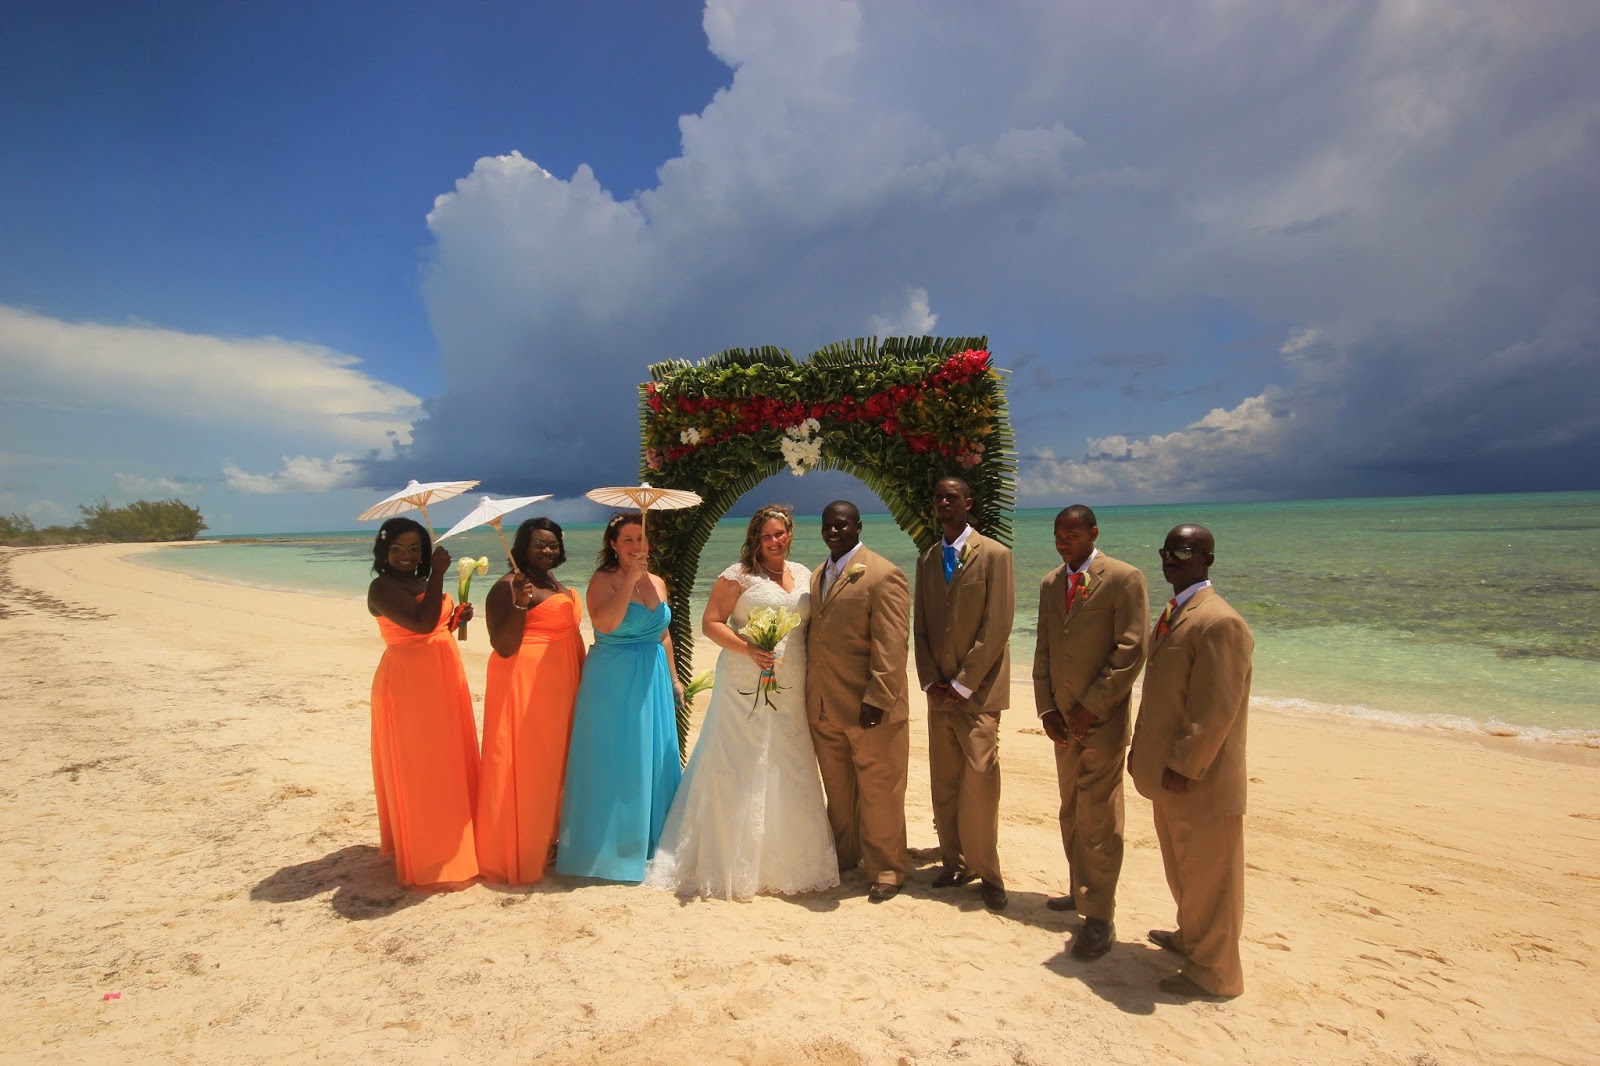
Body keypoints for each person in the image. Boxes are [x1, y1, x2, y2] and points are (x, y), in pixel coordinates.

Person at [644, 504, 838, 900]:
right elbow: (711, 622)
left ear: (790, 534)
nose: (774, 541)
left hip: (791, 678)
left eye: (780, 533)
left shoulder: (803, 573)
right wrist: (748, 648)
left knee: (789, 758)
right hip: (743, 679)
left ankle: (785, 856)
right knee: (740, 761)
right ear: (755, 538)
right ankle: (729, 855)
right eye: (766, 535)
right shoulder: (738, 576)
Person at [1130, 524, 1253, 999]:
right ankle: (1191, 940)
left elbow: (1215, 709)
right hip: (1169, 773)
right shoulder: (1176, 612)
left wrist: (1184, 766)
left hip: (1199, 778)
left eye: (1183, 550)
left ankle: (1216, 974)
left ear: (1207, 559)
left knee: (1211, 879)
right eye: (1166, 550)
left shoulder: (1220, 622)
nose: (1171, 558)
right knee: (1184, 869)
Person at [1032, 505, 1148, 960]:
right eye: (1059, 534)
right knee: (1071, 811)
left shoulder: (1123, 578)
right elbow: (1043, 647)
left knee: (1099, 818)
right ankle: (1081, 890)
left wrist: (1091, 708)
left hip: (1100, 722)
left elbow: (1131, 649)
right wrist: (1047, 710)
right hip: (1063, 721)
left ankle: (1100, 918)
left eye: (1073, 534)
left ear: (1093, 533)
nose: (1064, 541)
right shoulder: (1050, 583)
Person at [556, 513, 685, 883]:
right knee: (616, 756)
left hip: (652, 676)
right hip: (612, 677)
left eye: (641, 538)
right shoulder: (602, 580)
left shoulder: (658, 582)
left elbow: (662, 634)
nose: (635, 546)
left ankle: (649, 841)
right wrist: (630, 580)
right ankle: (611, 844)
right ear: (613, 545)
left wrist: (674, 681)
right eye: (627, 539)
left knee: (652, 754)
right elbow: (606, 624)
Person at [913, 476, 1014, 911]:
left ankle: (988, 871)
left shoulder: (995, 555)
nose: (943, 503)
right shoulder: (928, 559)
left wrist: (963, 682)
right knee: (946, 781)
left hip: (978, 694)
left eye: (951, 497)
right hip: (939, 694)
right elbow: (921, 627)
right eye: (938, 497)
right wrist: (931, 678)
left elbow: (997, 626)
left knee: (980, 782)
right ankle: (953, 862)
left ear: (968, 503)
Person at [804, 500, 912, 903]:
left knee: (879, 790)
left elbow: (892, 645)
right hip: (824, 705)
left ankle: (887, 868)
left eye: (842, 525)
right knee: (840, 790)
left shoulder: (884, 575)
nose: (834, 531)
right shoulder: (818, 574)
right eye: (828, 525)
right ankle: (846, 855)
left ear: (858, 527)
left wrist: (878, 698)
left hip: (870, 708)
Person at [365, 516, 481, 887]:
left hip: (443, 673)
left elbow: (435, 623)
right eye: (397, 548)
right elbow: (419, 623)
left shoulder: (417, 579)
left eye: (415, 548)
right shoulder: (380, 588)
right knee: (421, 762)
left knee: (447, 755)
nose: (407, 555)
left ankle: (456, 836)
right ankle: (429, 848)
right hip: (410, 684)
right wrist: (438, 574)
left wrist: (455, 618)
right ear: (384, 551)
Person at [475, 518, 585, 885]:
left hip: (563, 678)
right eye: (539, 544)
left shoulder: (551, 581)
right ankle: (521, 846)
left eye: (553, 544)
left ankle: (550, 837)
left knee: (557, 761)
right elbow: (503, 646)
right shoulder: (507, 586)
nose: (548, 550)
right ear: (522, 546)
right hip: (527, 683)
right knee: (528, 762)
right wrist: (520, 604)